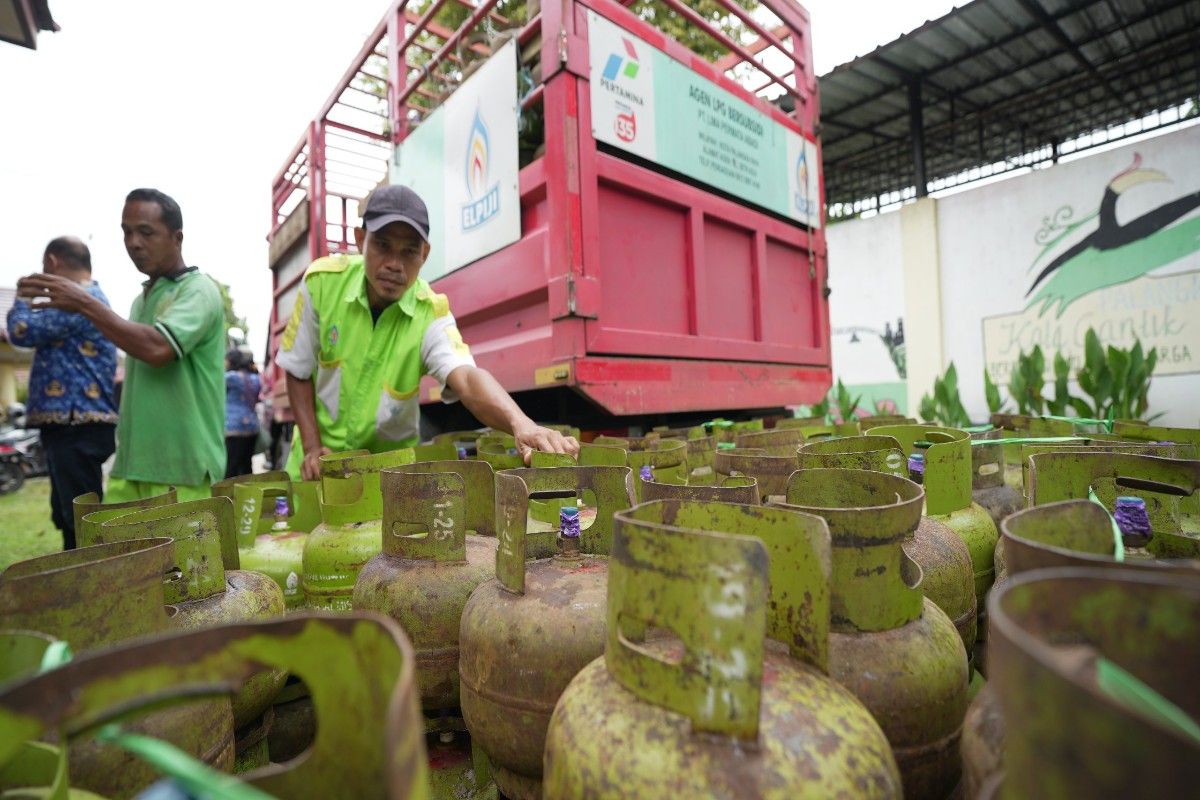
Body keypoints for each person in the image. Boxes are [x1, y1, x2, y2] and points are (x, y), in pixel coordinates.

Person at [276, 184, 579, 481]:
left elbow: (467, 378)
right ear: (360, 239)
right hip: (315, 474)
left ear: (424, 254)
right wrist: (314, 448)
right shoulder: (322, 283)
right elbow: (298, 369)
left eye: (409, 252)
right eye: (382, 245)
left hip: (386, 481)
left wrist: (521, 423)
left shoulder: (430, 312)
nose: (395, 265)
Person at [17, 188, 226, 502]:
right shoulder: (140, 301)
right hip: (131, 467)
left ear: (176, 237)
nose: (133, 243)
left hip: (182, 470)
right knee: (105, 547)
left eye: (146, 232)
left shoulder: (198, 290)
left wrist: (85, 303)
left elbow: (158, 349)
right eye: (126, 232)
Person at [8, 237, 118, 549]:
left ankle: (94, 587)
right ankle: (84, 585)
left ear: (53, 263)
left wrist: (22, 297)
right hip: (74, 425)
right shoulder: (89, 298)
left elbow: (22, 331)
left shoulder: (79, 299)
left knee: (81, 522)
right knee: (71, 515)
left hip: (76, 425)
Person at [224, 348, 261, 478]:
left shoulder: (230, 378)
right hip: (252, 427)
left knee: (231, 467)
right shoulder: (256, 379)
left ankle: (229, 497)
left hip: (233, 427)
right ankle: (249, 495)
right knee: (247, 466)